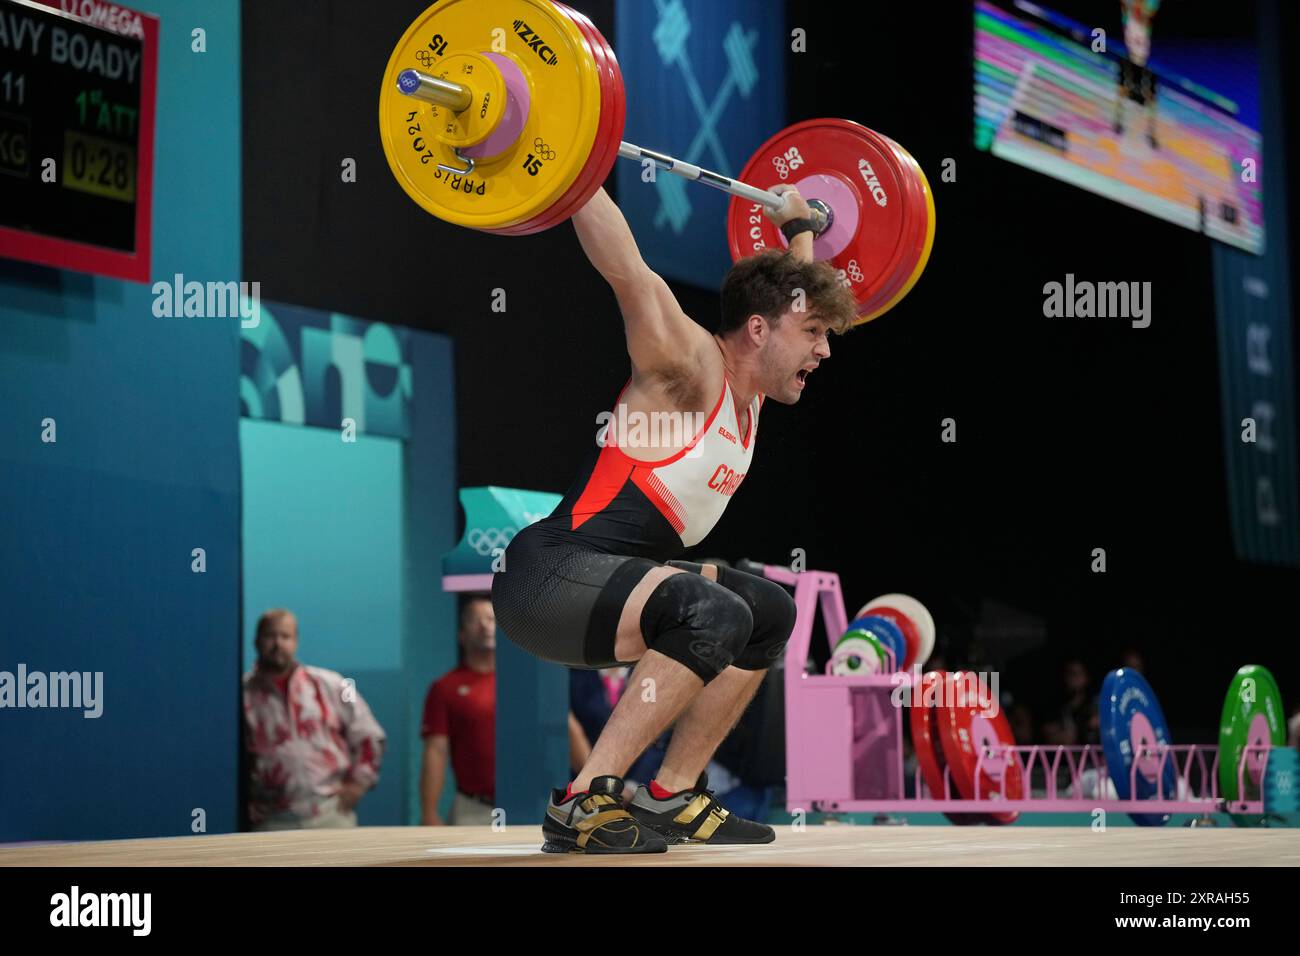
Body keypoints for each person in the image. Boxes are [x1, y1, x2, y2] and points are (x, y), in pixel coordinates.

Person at [491, 185, 859, 853]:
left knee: (768, 609)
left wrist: (800, 227)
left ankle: (671, 795)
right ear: (758, 331)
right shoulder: (687, 366)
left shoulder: (750, 394)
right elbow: (627, 270)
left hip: (612, 589)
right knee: (712, 609)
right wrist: (575, 173)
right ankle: (584, 799)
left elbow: (792, 299)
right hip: (549, 581)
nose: (823, 352)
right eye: (814, 335)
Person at [242, 609, 386, 830]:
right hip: (271, 819)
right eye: (270, 636)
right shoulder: (242, 694)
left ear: (296, 642)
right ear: (256, 641)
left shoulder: (333, 684)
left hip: (330, 813)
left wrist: (358, 784)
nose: (277, 643)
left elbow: (370, 735)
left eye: (285, 636)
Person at [420, 595, 496, 825]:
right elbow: (436, 752)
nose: (485, 625)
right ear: (461, 635)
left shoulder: (524, 683)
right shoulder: (444, 688)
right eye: (476, 620)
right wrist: (429, 812)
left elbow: (566, 727)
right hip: (472, 809)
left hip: (529, 806)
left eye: (491, 619)